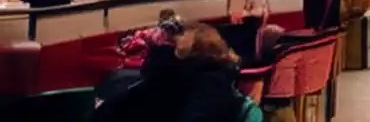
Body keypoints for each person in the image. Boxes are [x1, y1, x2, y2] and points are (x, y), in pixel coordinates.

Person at [93, 23, 255, 122]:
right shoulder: (181, 72)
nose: (177, 38)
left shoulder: (211, 82)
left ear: (197, 46)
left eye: (183, 34)